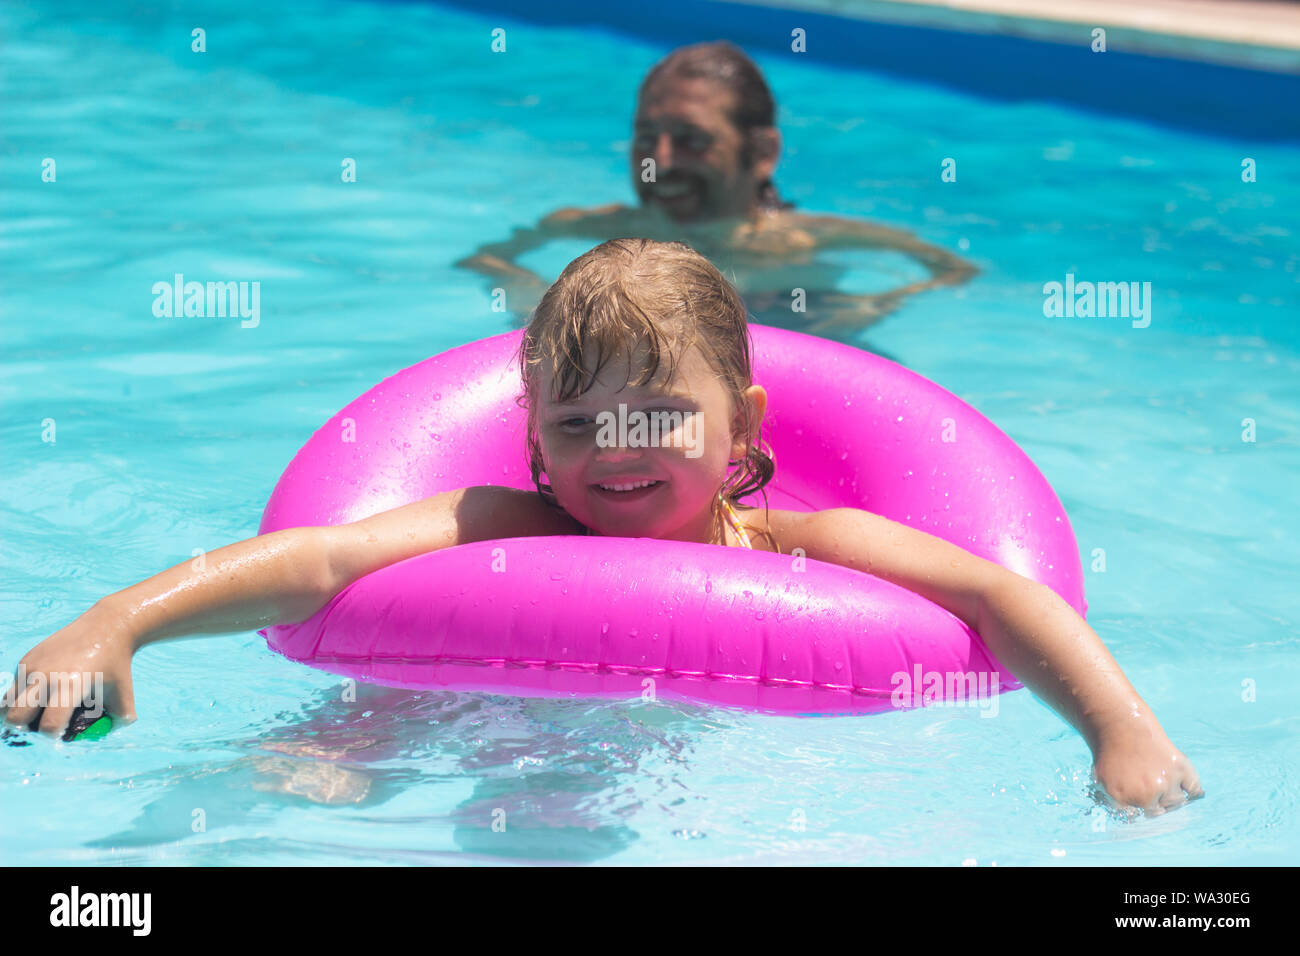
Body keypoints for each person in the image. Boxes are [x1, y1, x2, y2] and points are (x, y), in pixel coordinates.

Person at [4, 239, 1199, 818]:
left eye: (657, 414)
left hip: (694, 764)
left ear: (745, 424)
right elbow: (317, 562)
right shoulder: (500, 519)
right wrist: (116, 621)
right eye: (577, 423)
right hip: (443, 713)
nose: (614, 450)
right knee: (306, 778)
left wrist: (1116, 733)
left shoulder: (799, 545)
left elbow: (1004, 595)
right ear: (530, 431)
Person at [456, 41, 975, 335]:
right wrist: (546, 304)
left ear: (763, 153)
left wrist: (871, 309)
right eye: (645, 140)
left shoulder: (808, 238)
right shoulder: (595, 226)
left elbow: (954, 270)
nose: (660, 162)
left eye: (691, 141)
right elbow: (484, 260)